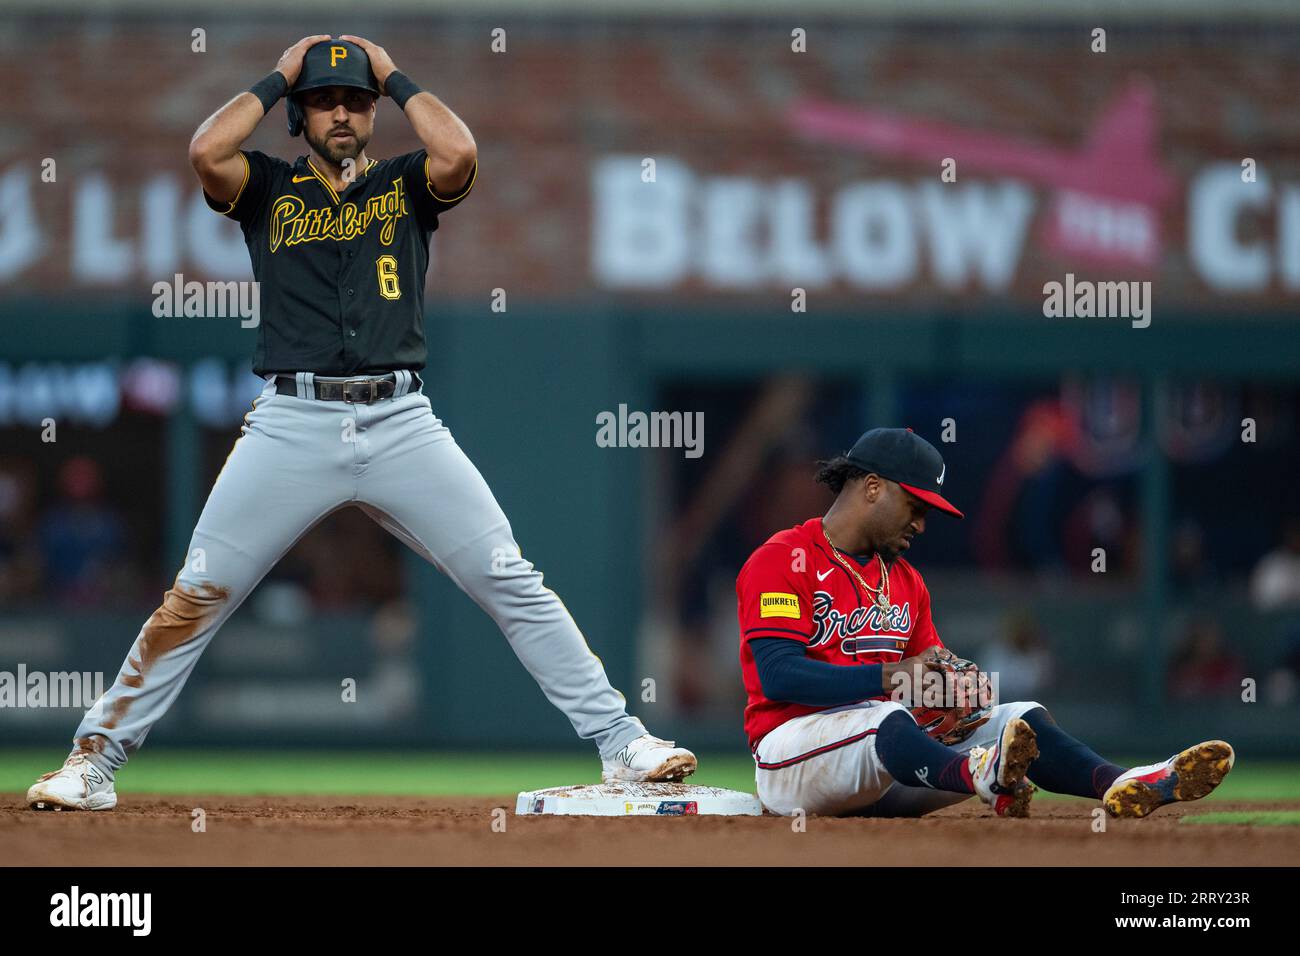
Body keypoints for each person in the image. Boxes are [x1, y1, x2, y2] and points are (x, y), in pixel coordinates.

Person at [27, 35, 693, 812]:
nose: (340, 111)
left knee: (507, 575)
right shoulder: (268, 187)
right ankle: (93, 762)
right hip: (291, 420)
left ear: (373, 111)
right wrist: (280, 75)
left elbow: (459, 151)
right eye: (323, 100)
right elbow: (207, 149)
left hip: (400, 419)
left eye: (353, 100)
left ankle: (621, 740)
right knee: (198, 592)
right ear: (298, 115)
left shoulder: (405, 183)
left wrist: (392, 75)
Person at [737, 427, 1233, 818]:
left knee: (1018, 717)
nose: (922, 524)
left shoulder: (906, 581)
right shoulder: (783, 560)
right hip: (793, 758)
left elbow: (923, 676)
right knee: (885, 718)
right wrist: (892, 678)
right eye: (916, 506)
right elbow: (780, 674)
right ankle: (978, 774)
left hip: (883, 766)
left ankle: (1119, 780)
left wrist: (951, 685)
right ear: (872, 488)